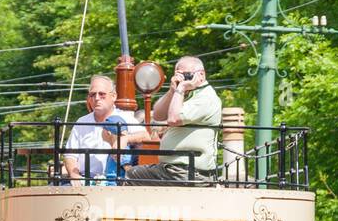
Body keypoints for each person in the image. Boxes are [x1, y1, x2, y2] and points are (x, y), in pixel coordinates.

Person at [122, 55, 221, 184]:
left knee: (131, 176)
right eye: (178, 76)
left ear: (201, 75)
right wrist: (172, 91)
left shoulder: (206, 98)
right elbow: (158, 115)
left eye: (186, 75)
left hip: (190, 172)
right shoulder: (186, 93)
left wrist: (181, 89)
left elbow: (173, 119)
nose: (182, 80)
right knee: (132, 173)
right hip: (175, 169)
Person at [63, 75, 138, 184]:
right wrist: (74, 176)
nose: (97, 98)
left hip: (116, 182)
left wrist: (125, 139)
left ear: (114, 96)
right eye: (92, 94)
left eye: (102, 94)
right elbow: (70, 155)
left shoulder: (125, 118)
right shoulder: (81, 122)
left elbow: (146, 137)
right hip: (84, 180)